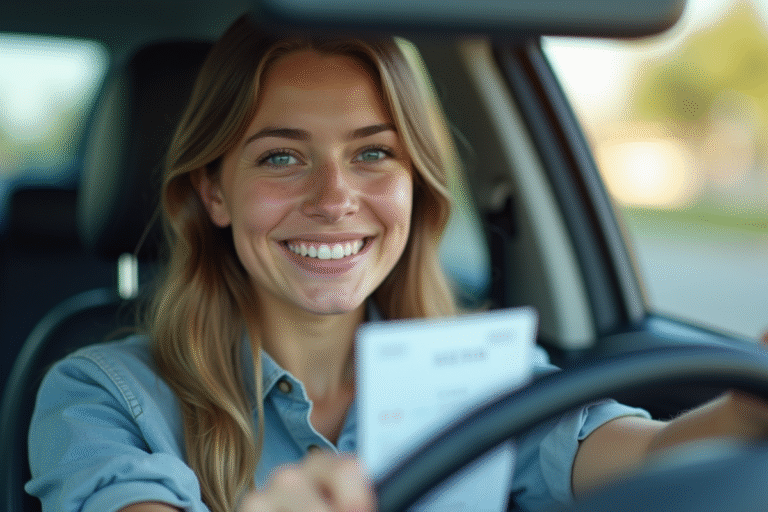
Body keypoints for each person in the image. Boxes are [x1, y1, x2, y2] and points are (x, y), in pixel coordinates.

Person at [25, 14, 768, 512]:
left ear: (417, 186)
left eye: (373, 154)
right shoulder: (98, 394)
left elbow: (653, 459)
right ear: (214, 192)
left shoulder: (481, 380)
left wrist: (745, 408)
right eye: (282, 157)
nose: (334, 198)